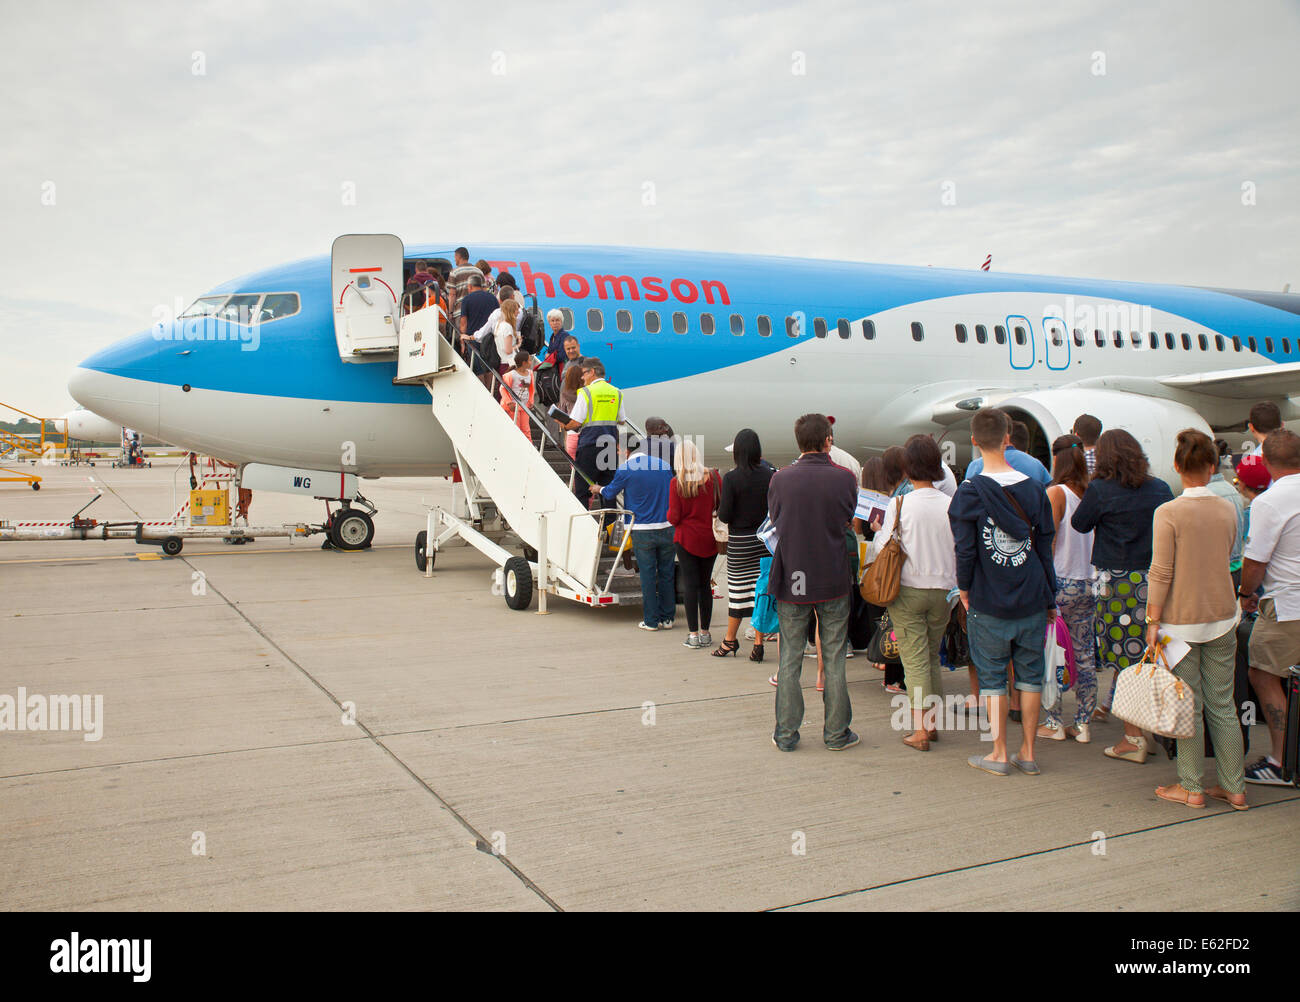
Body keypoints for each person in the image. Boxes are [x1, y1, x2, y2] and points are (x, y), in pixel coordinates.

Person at [949, 407, 1057, 777]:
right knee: (1029, 674)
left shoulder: (968, 494)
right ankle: (1028, 752)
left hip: (988, 598)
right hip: (1031, 597)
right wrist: (1050, 596)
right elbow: (1045, 548)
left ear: (975, 441)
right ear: (1008, 439)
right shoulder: (1035, 488)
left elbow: (964, 550)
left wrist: (964, 588)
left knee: (993, 674)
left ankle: (998, 752)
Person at [1142, 429, 1247, 808]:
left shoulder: (1168, 512)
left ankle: (1191, 786)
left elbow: (1161, 571)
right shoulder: (1227, 507)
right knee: (1223, 705)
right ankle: (1234, 786)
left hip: (1176, 623)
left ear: (1176, 465)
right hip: (1222, 614)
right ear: (1213, 466)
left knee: (1187, 703)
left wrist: (1152, 620)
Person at [1071, 428, 1174, 762]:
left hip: (1115, 582)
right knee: (1152, 653)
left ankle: (1133, 738)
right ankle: (1152, 729)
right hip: (1155, 579)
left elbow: (1080, 524)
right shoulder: (1159, 488)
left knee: (1124, 658)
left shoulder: (1101, 489)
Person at [768, 414, 860, 752]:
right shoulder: (844, 478)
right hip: (832, 576)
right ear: (828, 440)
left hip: (793, 575)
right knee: (834, 657)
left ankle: (786, 733)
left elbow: (776, 520)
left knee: (790, 659)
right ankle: (837, 733)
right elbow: (847, 518)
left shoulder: (780, 479)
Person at [869, 435, 957, 751]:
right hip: (945, 591)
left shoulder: (900, 504)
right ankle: (931, 724)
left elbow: (882, 548)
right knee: (931, 657)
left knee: (915, 660)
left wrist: (880, 532)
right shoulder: (951, 504)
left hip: (908, 590)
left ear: (908, 468)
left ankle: (920, 730)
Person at [1239, 429, 1300, 785]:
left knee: (1263, 673)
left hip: (1288, 601)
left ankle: (1281, 761)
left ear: (1267, 463)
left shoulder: (1270, 501)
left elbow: (1256, 560)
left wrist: (1246, 592)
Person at [1038, 434, 1097, 743]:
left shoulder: (1055, 493)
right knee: (1084, 654)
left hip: (1060, 581)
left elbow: (1048, 541)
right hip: (1088, 581)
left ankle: (1054, 721)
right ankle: (1084, 722)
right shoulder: (1091, 493)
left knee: (1053, 651)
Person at [601, 417, 675, 631]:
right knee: (666, 573)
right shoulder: (664, 465)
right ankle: (668, 618)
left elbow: (610, 492)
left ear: (625, 450)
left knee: (648, 576)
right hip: (667, 527)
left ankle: (651, 621)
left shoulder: (626, 469)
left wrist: (599, 490)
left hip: (642, 530)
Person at [713, 429, 774, 661]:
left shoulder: (731, 478)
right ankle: (758, 643)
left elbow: (725, 515)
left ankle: (730, 640)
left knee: (738, 594)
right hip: (763, 541)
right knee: (761, 592)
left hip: (740, 544)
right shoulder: (769, 476)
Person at [668, 438, 718, 649]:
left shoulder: (676, 482)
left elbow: (674, 518)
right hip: (710, 538)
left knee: (690, 585)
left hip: (686, 539)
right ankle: (706, 633)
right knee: (705, 585)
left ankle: (693, 635)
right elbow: (720, 505)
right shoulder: (713, 477)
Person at [559, 360, 626, 514]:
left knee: (582, 490)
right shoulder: (616, 392)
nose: (582, 378)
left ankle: (583, 528)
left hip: (589, 445)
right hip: (609, 446)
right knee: (608, 492)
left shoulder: (586, 392)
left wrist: (562, 423)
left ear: (592, 372)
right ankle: (609, 533)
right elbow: (621, 419)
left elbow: (575, 422)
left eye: (584, 373)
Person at [964, 414, 1052, 486]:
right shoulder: (1035, 464)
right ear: (1006, 438)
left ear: (974, 441)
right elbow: (1050, 493)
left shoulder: (976, 465)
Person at [499, 350, 535, 439]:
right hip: (514, 407)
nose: (531, 362)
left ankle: (528, 450)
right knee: (516, 428)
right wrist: (509, 403)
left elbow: (531, 389)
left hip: (524, 406)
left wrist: (531, 401)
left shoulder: (530, 373)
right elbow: (502, 389)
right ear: (524, 363)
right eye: (529, 360)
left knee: (526, 430)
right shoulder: (511, 374)